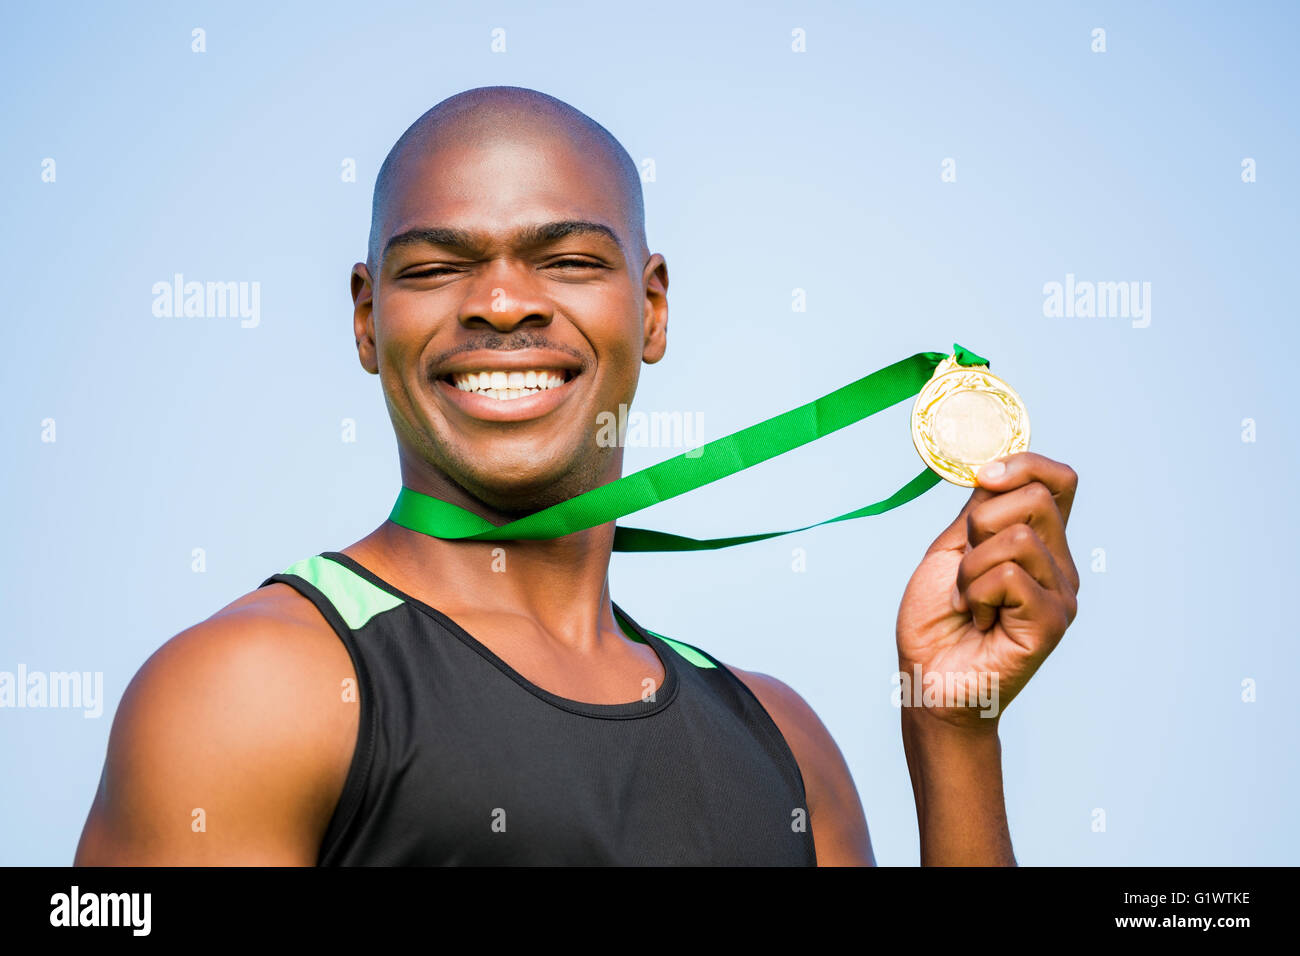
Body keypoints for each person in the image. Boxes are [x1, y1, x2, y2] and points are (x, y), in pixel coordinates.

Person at [74, 86, 1080, 866]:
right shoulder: (253, 688)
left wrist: (954, 734)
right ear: (365, 318)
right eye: (434, 268)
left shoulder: (784, 744)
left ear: (651, 310)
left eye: (566, 260)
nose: (503, 302)